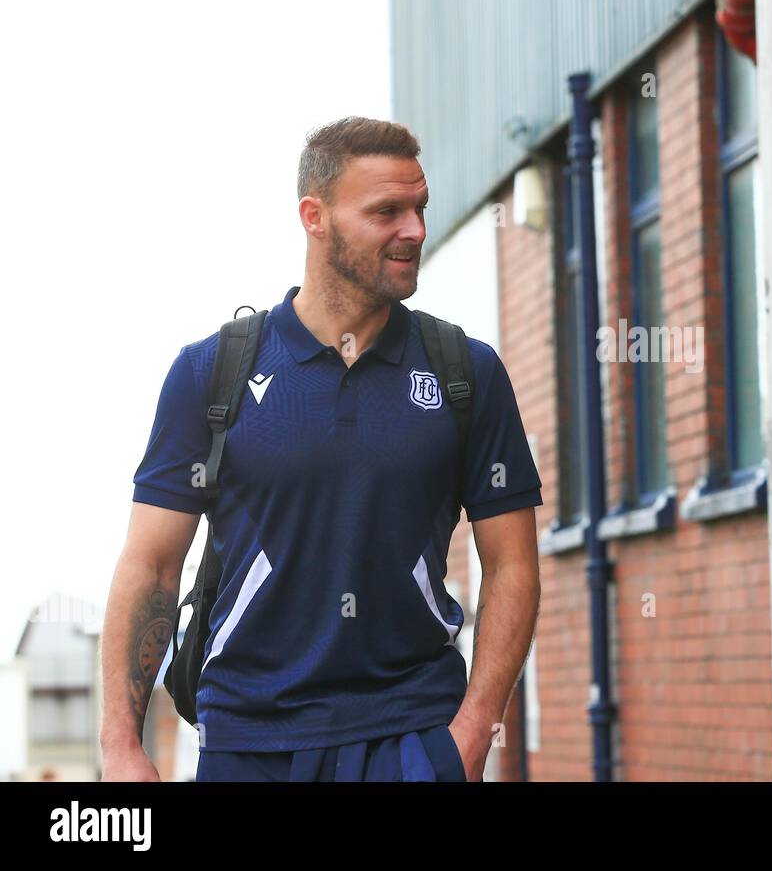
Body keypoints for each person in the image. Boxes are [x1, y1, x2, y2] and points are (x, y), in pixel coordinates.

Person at [100, 116, 542, 781]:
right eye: (387, 211)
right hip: (248, 742)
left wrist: (471, 737)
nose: (415, 230)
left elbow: (511, 566)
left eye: (420, 208)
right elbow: (153, 567)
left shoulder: (464, 372)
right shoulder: (210, 374)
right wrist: (121, 746)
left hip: (414, 736)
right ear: (316, 216)